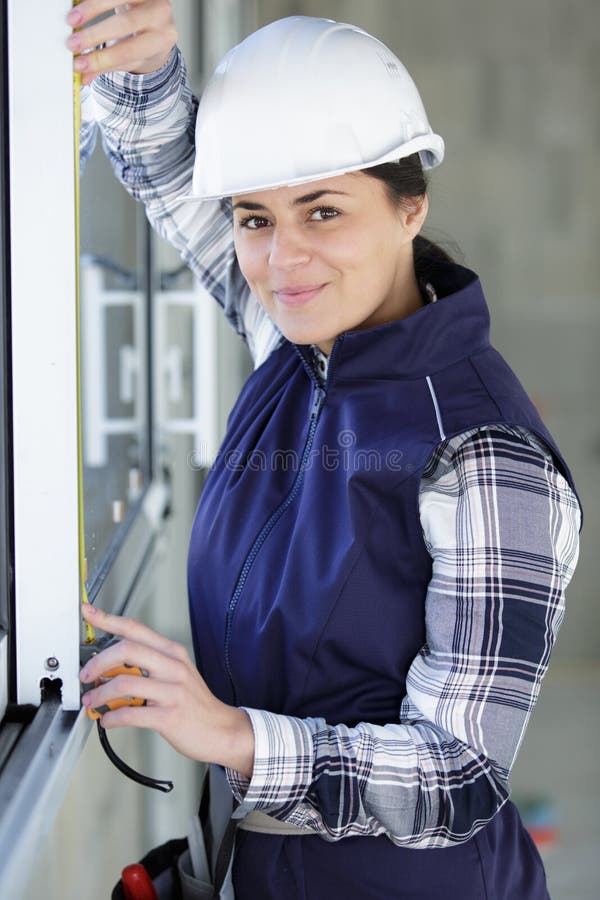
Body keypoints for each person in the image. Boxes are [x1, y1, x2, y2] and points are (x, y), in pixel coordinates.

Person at [70, 4, 582, 898]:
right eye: (254, 219)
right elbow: (178, 178)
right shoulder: (301, 348)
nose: (283, 260)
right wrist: (137, 67)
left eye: (324, 211)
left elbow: (459, 776)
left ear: (410, 205)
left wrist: (230, 735)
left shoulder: (485, 457)